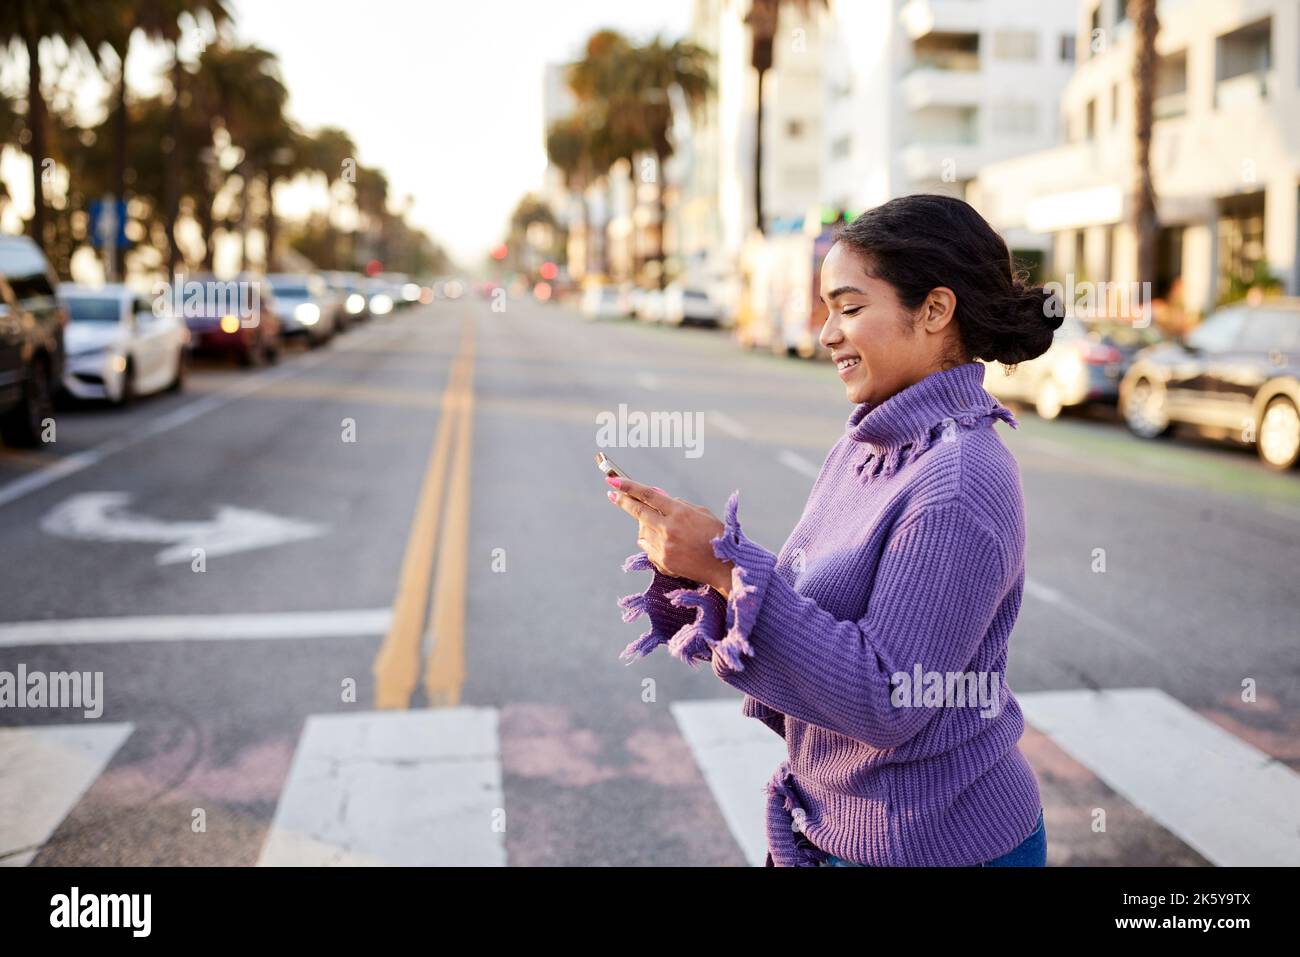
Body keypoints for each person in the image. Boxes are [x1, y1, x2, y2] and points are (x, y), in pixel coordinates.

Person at [608, 194, 1060, 867]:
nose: (825, 332)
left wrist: (727, 568)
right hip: (834, 823)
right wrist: (701, 565)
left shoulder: (960, 479)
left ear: (935, 311)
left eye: (849, 308)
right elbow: (814, 619)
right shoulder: (870, 442)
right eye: (826, 309)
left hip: (938, 844)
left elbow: (888, 696)